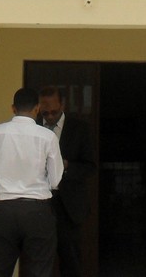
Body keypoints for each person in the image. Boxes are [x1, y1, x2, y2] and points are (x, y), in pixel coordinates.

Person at [0, 87, 64, 277]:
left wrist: (5, 178)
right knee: (40, 271)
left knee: (0, 271)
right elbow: (55, 180)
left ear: (13, 108)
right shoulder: (48, 136)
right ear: (37, 109)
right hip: (38, 211)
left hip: (4, 211)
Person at [38, 86, 97, 277]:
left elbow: (90, 167)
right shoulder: (33, 128)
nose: (49, 116)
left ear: (62, 105)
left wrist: (66, 165)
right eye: (45, 112)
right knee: (38, 258)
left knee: (71, 260)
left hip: (69, 206)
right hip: (39, 202)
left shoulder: (79, 128)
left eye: (54, 111)